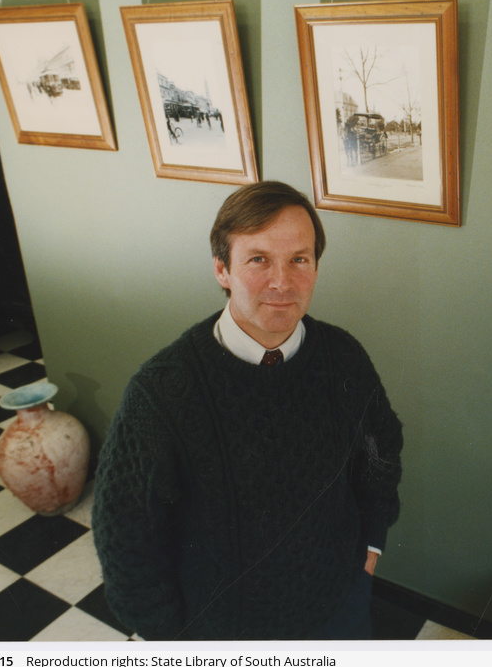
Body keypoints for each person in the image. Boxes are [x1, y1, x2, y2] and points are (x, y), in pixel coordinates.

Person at [92, 181, 403, 641]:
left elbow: (380, 452)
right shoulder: (161, 393)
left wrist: (372, 542)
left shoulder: (344, 358)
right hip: (223, 632)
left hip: (339, 608)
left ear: (316, 266)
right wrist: (170, 637)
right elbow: (124, 532)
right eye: (258, 260)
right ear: (222, 269)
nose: (282, 282)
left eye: (299, 259)